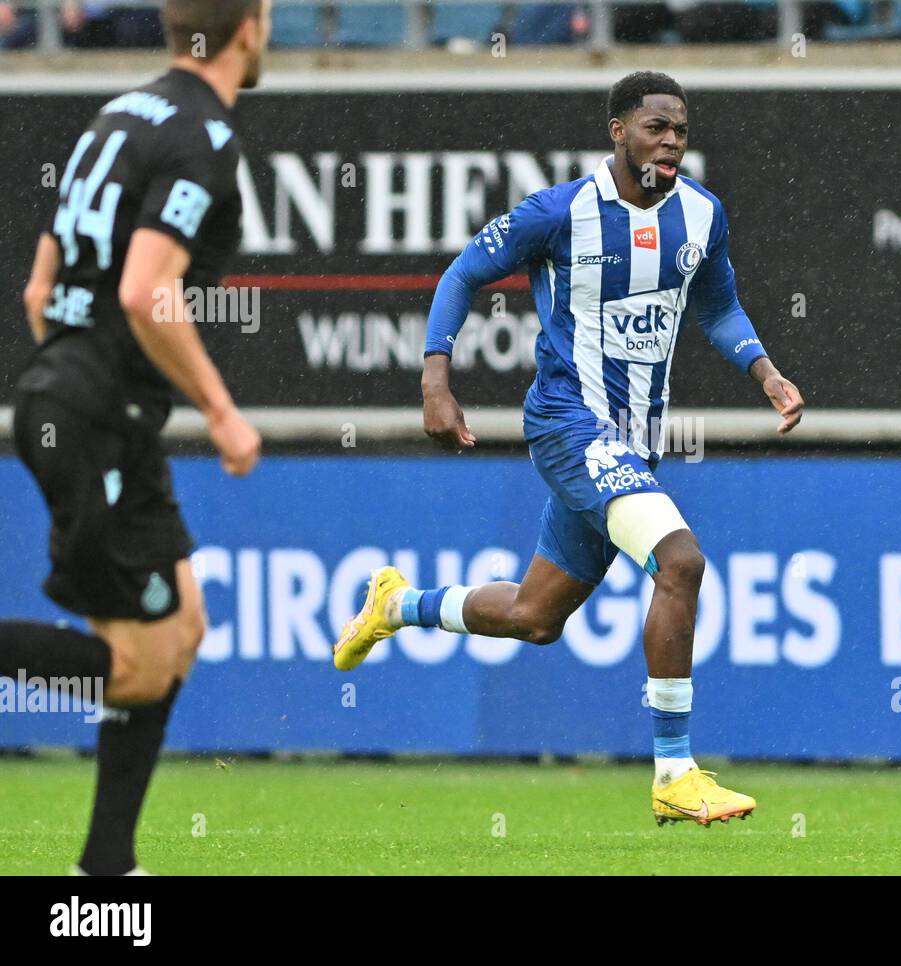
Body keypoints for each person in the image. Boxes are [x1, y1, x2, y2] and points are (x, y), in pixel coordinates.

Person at [333, 71, 805, 828]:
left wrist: (766, 371)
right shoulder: (559, 213)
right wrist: (435, 376)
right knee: (680, 561)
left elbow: (716, 304)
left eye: (681, 129)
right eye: (656, 126)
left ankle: (397, 604)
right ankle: (675, 772)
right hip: (567, 424)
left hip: (635, 445)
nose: (672, 141)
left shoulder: (701, 216)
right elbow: (463, 272)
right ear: (617, 131)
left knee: (534, 616)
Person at [0, 0, 267, 875]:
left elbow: (41, 292)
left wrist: (75, 391)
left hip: (77, 403)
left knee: (180, 627)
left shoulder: (117, 114)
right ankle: (103, 868)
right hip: (98, 417)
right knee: (134, 666)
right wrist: (222, 411)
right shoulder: (206, 138)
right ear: (250, 27)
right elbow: (147, 292)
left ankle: (107, 868)